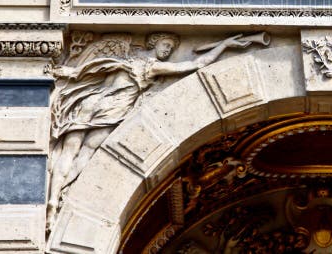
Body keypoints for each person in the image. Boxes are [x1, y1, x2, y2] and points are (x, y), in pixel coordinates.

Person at [47, 32, 255, 228]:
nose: (167, 51)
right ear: (154, 42)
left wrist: (224, 44)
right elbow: (196, 63)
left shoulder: (133, 57)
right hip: (103, 108)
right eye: (166, 45)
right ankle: (54, 197)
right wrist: (225, 45)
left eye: (171, 48)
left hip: (101, 108)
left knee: (80, 153)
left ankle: (57, 196)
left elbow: (96, 66)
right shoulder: (147, 64)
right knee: (73, 152)